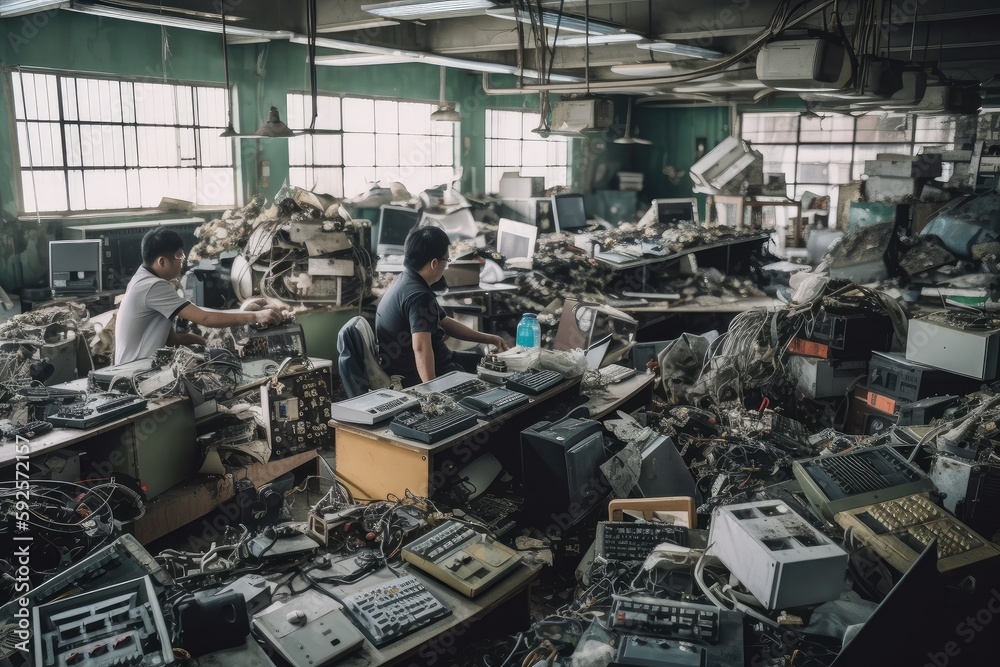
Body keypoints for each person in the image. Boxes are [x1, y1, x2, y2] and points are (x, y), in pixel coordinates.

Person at [114, 228, 284, 364]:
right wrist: (256, 316)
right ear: (161, 262)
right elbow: (204, 317)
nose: (183, 261)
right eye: (179, 255)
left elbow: (170, 338)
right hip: (135, 372)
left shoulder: (141, 279)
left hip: (134, 367)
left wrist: (198, 340)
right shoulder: (153, 286)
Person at [376, 226, 508, 387]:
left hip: (442, 358)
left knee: (490, 360)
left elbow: (444, 321)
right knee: (500, 381)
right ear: (434, 263)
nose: (446, 266)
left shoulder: (405, 280)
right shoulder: (419, 296)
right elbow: (421, 348)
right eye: (447, 260)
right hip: (427, 372)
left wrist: (490, 338)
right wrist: (433, 393)